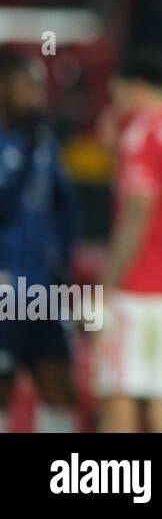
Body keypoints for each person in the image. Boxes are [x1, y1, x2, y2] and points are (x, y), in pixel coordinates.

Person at [95, 52, 162, 432]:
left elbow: (138, 208)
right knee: (161, 405)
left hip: (138, 285)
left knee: (119, 397)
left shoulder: (143, 131)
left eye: (118, 96)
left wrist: (106, 285)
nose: (115, 107)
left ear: (137, 88)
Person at [0, 50, 79, 433]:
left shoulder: (44, 140)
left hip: (44, 290)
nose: (37, 93)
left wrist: (65, 267)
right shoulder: (29, 144)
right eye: (26, 83)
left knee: (61, 391)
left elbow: (65, 208)